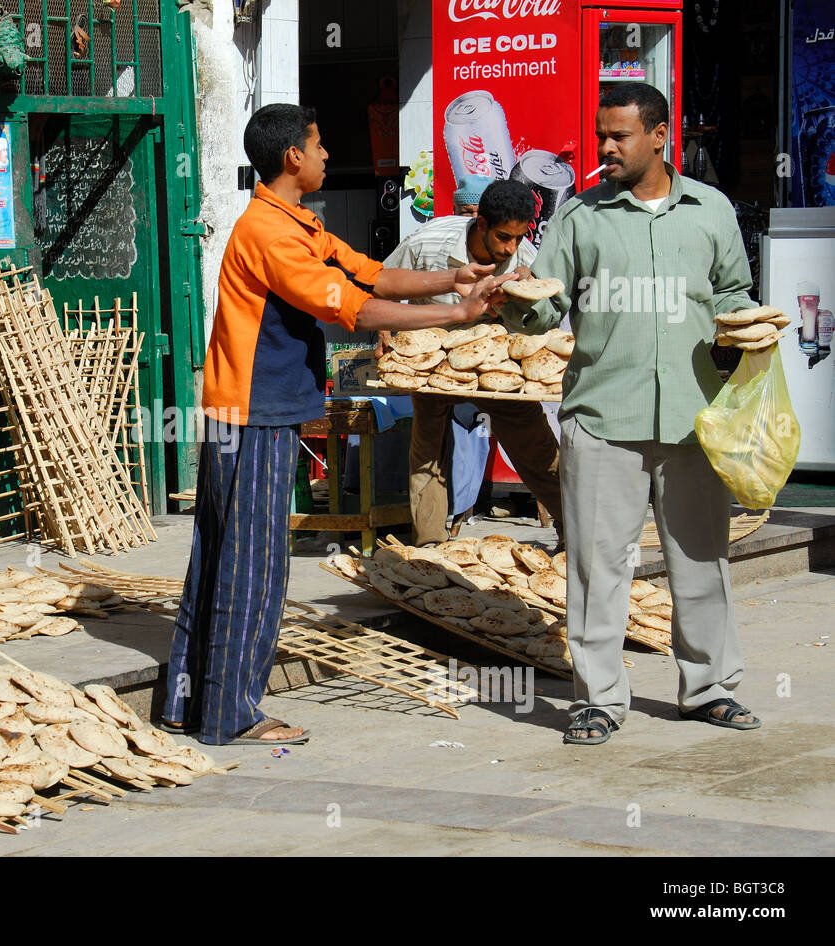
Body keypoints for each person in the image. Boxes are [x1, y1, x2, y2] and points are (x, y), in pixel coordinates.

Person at [162, 104, 512, 746]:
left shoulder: (291, 221)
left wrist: (453, 278)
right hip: (253, 412)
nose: (327, 156)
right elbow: (356, 307)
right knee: (252, 564)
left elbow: (370, 271)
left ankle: (189, 703)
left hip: (246, 409)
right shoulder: (271, 235)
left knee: (220, 555)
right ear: (293, 156)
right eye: (320, 144)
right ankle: (230, 715)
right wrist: (457, 315)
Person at [495, 83, 760, 745]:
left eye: (619, 136)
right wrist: (514, 301)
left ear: (660, 135)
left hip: (695, 418)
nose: (604, 148)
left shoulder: (711, 212)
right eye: (600, 135)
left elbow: (733, 295)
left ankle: (709, 689)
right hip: (602, 416)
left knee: (701, 560)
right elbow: (545, 306)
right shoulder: (580, 217)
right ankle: (598, 697)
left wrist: (748, 339)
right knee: (595, 564)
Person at [375, 179, 564, 549]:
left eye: (518, 237)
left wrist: (525, 297)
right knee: (427, 451)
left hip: (494, 361)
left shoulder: (523, 258)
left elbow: (544, 319)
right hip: (433, 359)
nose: (511, 247)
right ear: (481, 224)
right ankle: (431, 546)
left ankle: (575, 532)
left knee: (534, 445)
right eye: (504, 237)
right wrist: (385, 326)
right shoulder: (427, 242)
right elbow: (383, 282)